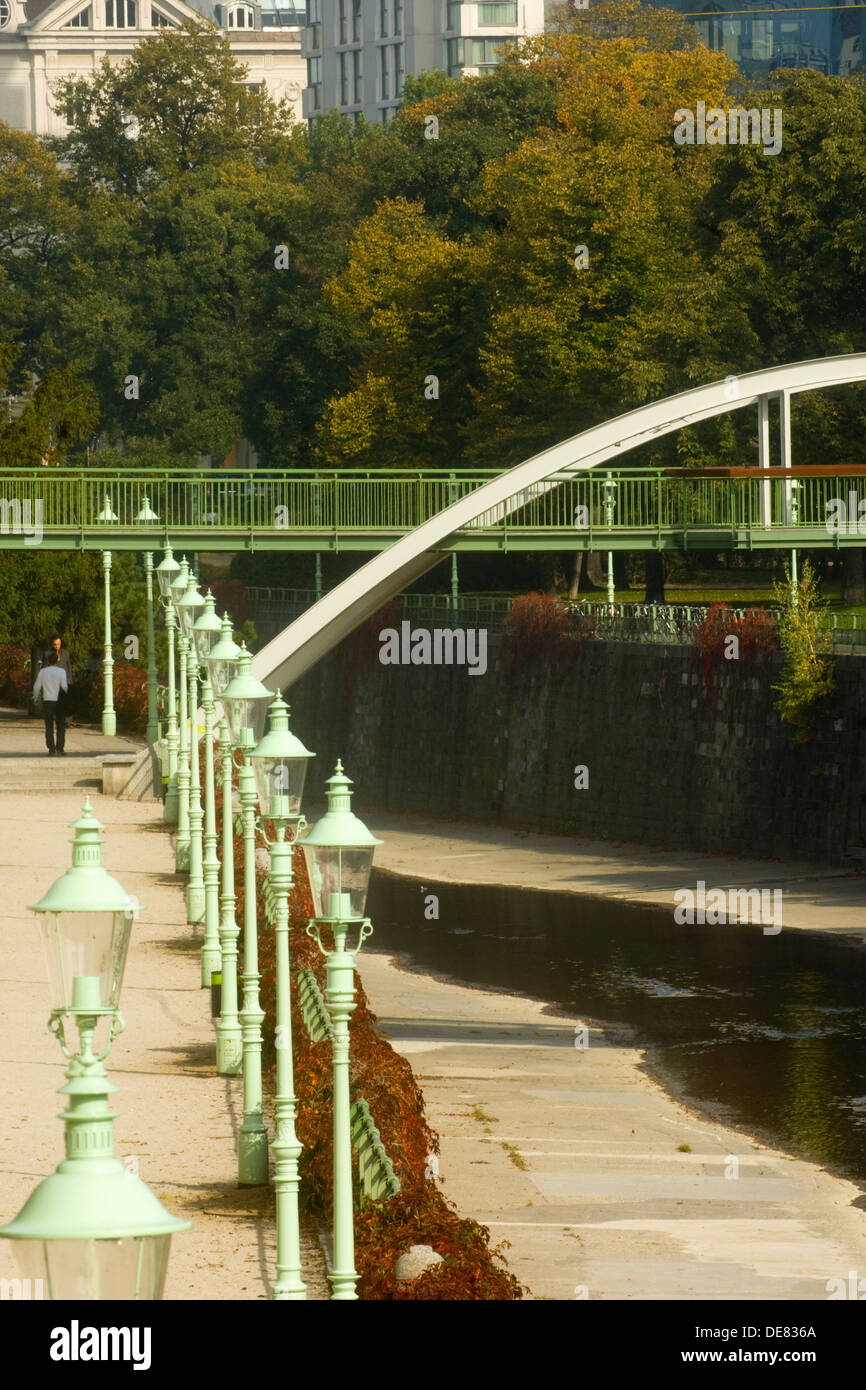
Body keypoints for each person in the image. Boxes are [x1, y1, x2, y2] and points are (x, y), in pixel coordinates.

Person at [33, 651, 68, 756]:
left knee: (49, 726)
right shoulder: (62, 672)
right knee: (61, 725)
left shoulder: (42, 672)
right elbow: (65, 687)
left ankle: (51, 749)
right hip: (60, 701)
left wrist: (35, 698)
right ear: (57, 660)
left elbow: (36, 686)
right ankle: (60, 748)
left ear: (48, 661)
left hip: (48, 700)